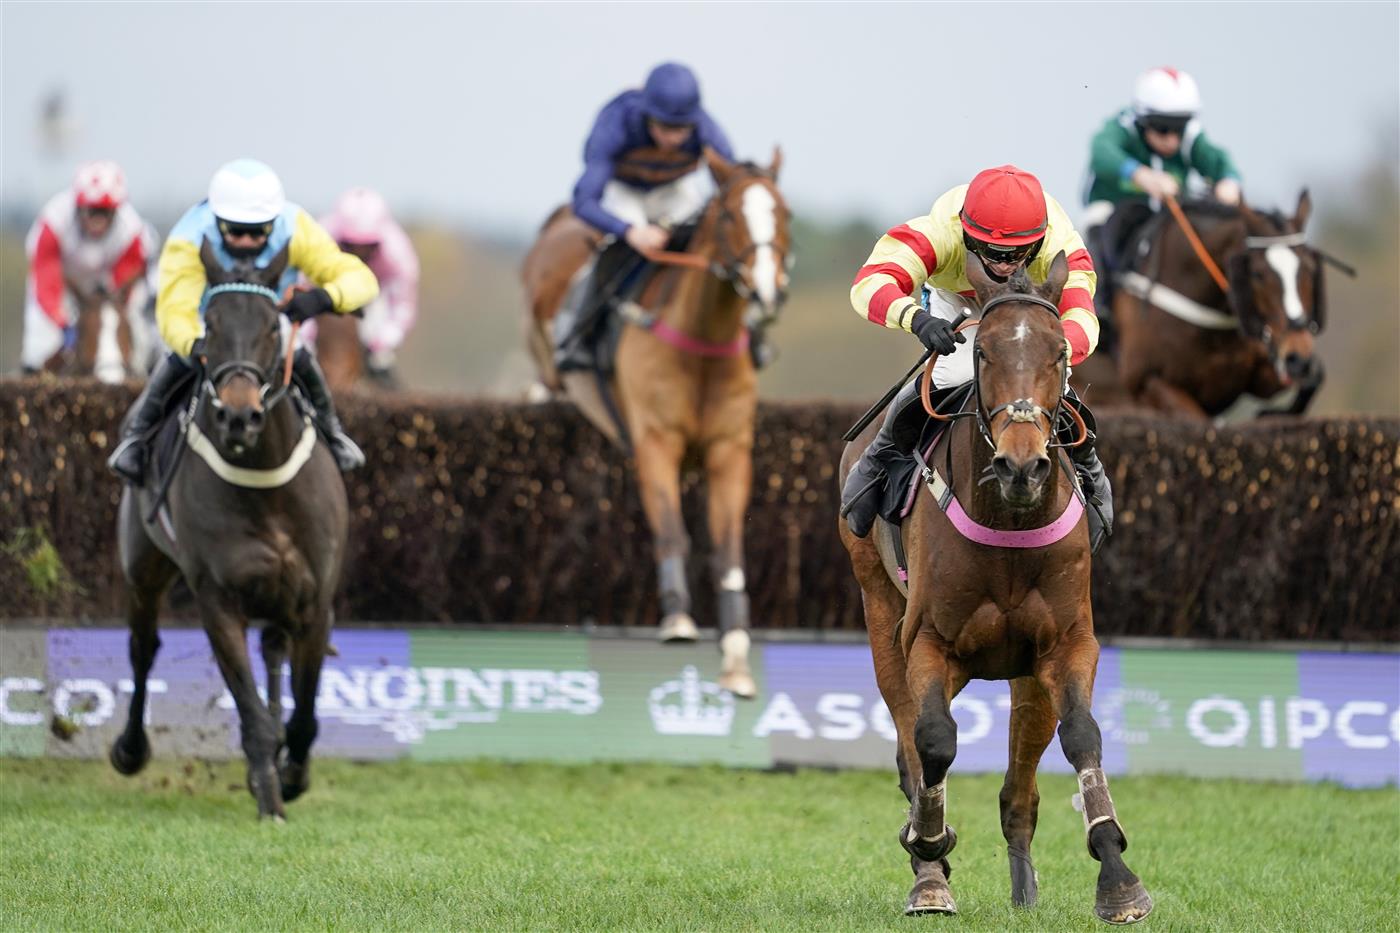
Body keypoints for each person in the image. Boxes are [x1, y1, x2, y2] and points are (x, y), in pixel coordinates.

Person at [841, 165, 1113, 551]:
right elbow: (870, 283)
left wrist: (1045, 351)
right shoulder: (939, 232)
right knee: (951, 375)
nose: (1002, 264)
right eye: (990, 252)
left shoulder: (1061, 244)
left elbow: (1084, 320)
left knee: (1056, 384)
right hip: (961, 302)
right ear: (967, 235)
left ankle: (1088, 466)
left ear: (1038, 243)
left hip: (1031, 308)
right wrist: (917, 319)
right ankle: (881, 455)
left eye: (1015, 254)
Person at [106, 159, 378, 483]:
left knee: (301, 356)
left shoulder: (295, 226)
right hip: (212, 332)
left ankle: (334, 437)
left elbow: (360, 280)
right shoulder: (190, 237)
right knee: (177, 359)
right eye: (236, 231)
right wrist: (195, 344)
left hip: (267, 332)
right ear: (218, 221)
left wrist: (323, 298)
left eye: (258, 232)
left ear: (273, 223)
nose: (247, 241)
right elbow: (174, 311)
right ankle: (136, 441)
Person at [564, 62, 772, 369]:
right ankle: (578, 336)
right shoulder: (615, 124)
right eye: (664, 127)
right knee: (618, 249)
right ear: (647, 116)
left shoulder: (707, 130)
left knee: (714, 241)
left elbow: (733, 184)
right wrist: (630, 232)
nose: (673, 138)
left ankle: (751, 333)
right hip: (624, 191)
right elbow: (583, 200)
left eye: (682, 129)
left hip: (672, 191)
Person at [1083, 66, 1243, 282]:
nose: (1172, 140)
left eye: (1180, 128)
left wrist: (1229, 181)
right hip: (1114, 210)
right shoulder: (1123, 128)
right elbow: (1101, 151)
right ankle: (1100, 301)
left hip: (1168, 215)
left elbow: (1219, 161)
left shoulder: (1191, 137)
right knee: (1095, 229)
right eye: (1163, 128)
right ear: (1142, 119)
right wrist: (1141, 175)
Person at [20, 161, 155, 373]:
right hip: (63, 287)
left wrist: (106, 311)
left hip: (108, 288)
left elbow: (127, 283)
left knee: (142, 335)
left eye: (105, 212)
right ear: (79, 207)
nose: (97, 220)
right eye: (92, 211)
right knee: (41, 347)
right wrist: (63, 322)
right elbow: (47, 282)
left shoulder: (133, 232)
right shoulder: (52, 224)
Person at [318, 187, 419, 382]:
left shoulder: (399, 253)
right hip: (325, 297)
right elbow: (302, 285)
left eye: (368, 247)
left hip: (374, 300)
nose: (359, 253)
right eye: (350, 245)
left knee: (380, 360)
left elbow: (403, 306)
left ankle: (392, 403)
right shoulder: (322, 237)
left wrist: (382, 341)